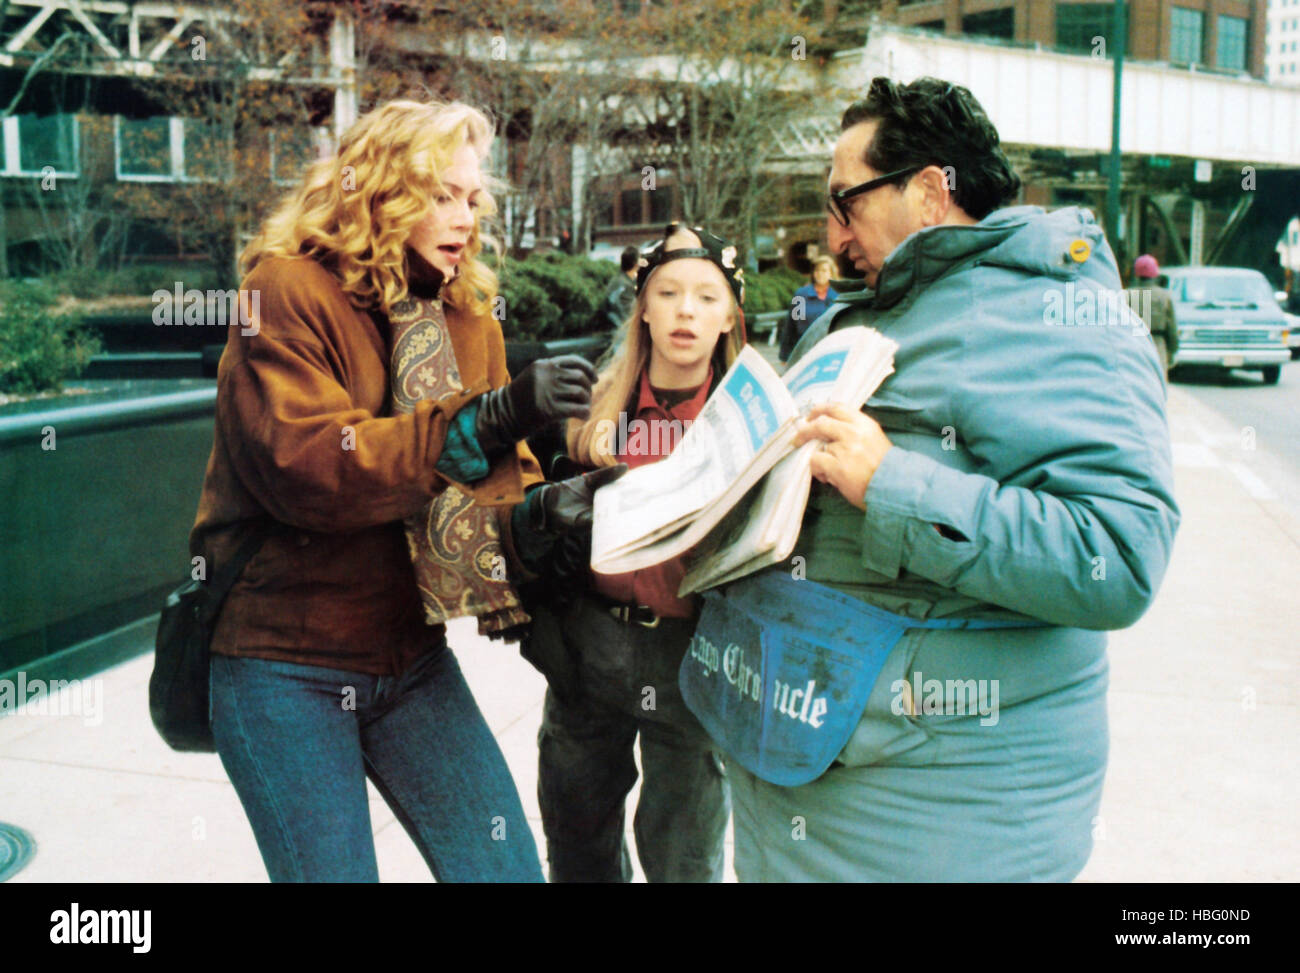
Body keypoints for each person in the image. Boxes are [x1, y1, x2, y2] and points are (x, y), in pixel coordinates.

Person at [708, 77, 1179, 882]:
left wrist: (893, 483)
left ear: (929, 192)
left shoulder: (1061, 318)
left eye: (844, 201)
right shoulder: (857, 314)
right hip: (801, 789)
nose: (831, 232)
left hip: (929, 824)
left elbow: (1120, 554)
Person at [190, 98, 612, 883]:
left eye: (471, 195)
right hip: (284, 662)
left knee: (508, 871)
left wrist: (545, 511)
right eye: (441, 194)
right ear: (380, 192)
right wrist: (490, 415)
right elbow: (313, 468)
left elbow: (480, 486)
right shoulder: (283, 291)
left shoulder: (462, 311)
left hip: (411, 656)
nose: (465, 214)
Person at [520, 222, 745, 882]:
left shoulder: (752, 419)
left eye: (706, 296)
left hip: (691, 657)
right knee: (577, 838)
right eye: (668, 292)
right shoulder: (590, 405)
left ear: (730, 312)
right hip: (589, 647)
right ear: (642, 305)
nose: (685, 310)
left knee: (684, 850)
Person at [778, 255, 839, 363]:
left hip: (831, 350)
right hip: (805, 351)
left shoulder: (838, 296)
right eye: (817, 270)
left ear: (831, 273)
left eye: (824, 271)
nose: (820, 274)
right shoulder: (801, 296)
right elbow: (791, 326)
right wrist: (785, 356)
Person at [1126, 253, 1178, 376]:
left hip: (1134, 344)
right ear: (1155, 274)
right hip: (1157, 344)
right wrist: (1172, 349)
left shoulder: (1127, 295)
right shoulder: (1164, 296)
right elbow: (1172, 328)